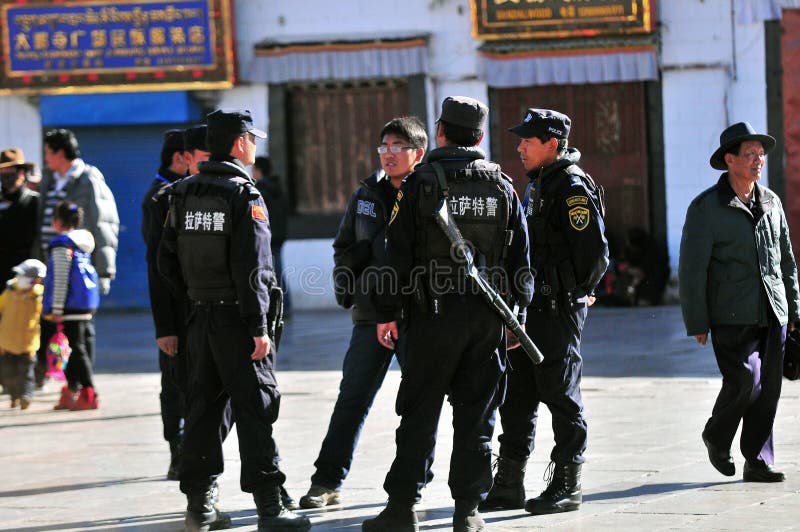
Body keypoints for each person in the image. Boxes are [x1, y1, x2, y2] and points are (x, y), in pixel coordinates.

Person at [364, 97, 533, 532]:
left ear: (440, 133)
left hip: (430, 317)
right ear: (479, 136)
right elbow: (521, 261)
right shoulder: (502, 186)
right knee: (477, 416)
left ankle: (402, 508)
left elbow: (393, 256)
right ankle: (468, 511)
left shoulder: (419, 184)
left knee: (419, 413)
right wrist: (517, 315)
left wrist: (386, 312)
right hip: (487, 320)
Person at [157, 109, 310, 531]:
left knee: (202, 409)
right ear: (240, 142)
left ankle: (200, 506)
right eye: (252, 139)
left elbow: (165, 260)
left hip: (199, 320)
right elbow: (254, 269)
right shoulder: (244, 195)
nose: (254, 147)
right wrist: (258, 327)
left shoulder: (183, 192)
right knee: (255, 409)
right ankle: (270, 509)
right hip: (238, 324)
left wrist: (193, 297)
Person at [482, 109, 609, 515]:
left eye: (528, 140)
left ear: (552, 144)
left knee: (560, 391)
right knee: (517, 394)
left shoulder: (571, 187)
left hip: (556, 310)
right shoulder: (539, 184)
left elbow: (595, 254)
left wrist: (579, 293)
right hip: (528, 309)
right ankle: (509, 482)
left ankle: (568, 482)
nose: (519, 147)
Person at [299, 117, 427, 509]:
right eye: (384, 146)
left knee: (420, 402)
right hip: (372, 315)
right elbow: (343, 245)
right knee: (352, 398)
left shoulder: (430, 192)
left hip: (416, 315)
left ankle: (412, 485)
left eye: (398, 146)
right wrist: (353, 289)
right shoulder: (367, 194)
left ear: (417, 154)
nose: (389, 153)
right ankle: (326, 481)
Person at [679, 121, 799, 483]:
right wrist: (697, 322)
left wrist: (794, 310)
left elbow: (786, 260)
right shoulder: (706, 208)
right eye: (750, 154)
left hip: (772, 310)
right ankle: (716, 435)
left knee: (769, 390)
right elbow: (691, 268)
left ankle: (758, 460)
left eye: (760, 154)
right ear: (729, 160)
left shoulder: (771, 202)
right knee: (747, 379)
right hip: (730, 313)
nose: (758, 160)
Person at [35, 129, 118, 387]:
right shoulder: (50, 180)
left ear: (59, 153)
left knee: (80, 331)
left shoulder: (87, 180)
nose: (46, 158)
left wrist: (104, 271)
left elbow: (103, 226)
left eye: (48, 152)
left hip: (76, 269)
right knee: (54, 327)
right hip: (51, 266)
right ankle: (65, 381)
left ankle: (83, 385)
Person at [142, 129, 189, 480]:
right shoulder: (159, 199)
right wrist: (165, 328)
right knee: (173, 385)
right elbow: (156, 270)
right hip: (174, 314)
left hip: (196, 309)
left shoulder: (188, 193)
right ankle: (177, 449)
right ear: (179, 159)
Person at [43, 201, 101, 411]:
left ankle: (88, 393)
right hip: (84, 303)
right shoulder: (83, 242)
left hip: (69, 306)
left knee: (75, 350)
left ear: (57, 221)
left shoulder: (61, 244)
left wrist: (57, 308)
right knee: (78, 347)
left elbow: (60, 278)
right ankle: (73, 390)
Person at [0, 259, 46, 409]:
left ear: (37, 280)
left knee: (26, 372)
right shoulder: (10, 291)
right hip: (7, 341)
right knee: (9, 371)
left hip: (28, 342)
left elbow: (46, 313)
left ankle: (26, 396)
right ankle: (14, 397)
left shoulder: (38, 295)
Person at [253, 156, 291, 317]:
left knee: (270, 274)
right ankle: (285, 307)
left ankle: (279, 308)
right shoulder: (278, 189)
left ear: (259, 171)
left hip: (267, 237)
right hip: (279, 236)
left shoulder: (260, 191)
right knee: (278, 272)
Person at [0, 148, 40, 288]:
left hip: (24, 276)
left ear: (21, 173)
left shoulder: (34, 202)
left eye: (10, 174)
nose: (5, 179)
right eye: (2, 174)